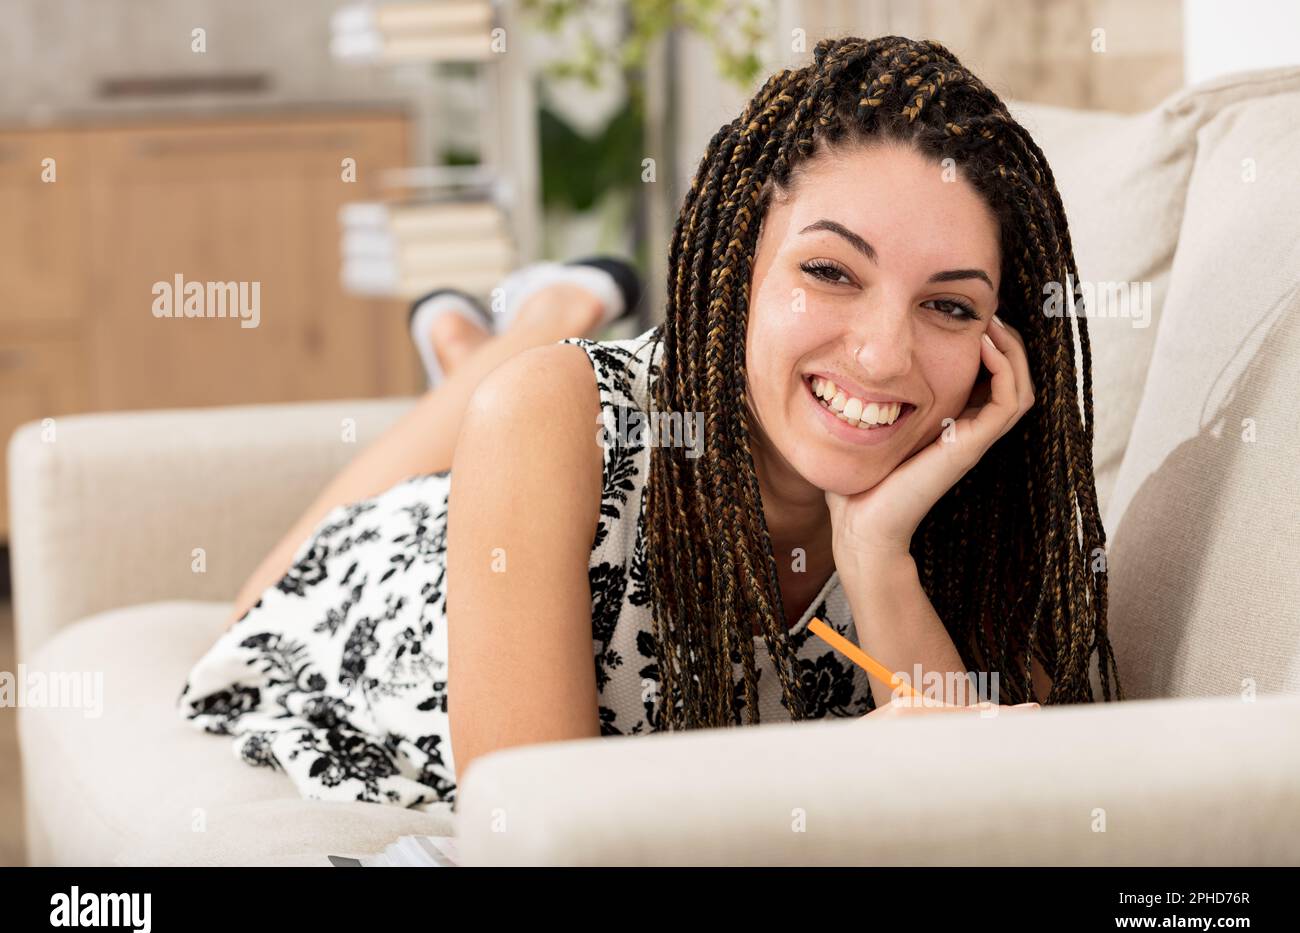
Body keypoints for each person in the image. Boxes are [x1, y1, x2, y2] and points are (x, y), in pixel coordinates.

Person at [178, 34, 1120, 812]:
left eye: (949, 308)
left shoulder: (983, 502)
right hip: (412, 586)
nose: (883, 356)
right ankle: (529, 333)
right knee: (254, 603)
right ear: (737, 267)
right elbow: (537, 824)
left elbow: (985, 813)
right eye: (830, 272)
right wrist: (846, 764)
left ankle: (484, 342)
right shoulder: (553, 418)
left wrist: (876, 550)